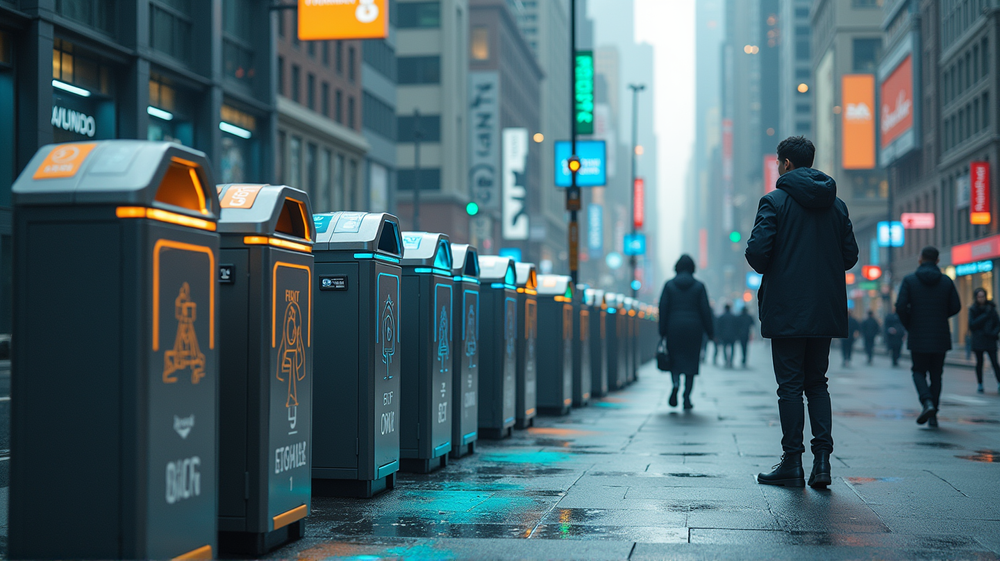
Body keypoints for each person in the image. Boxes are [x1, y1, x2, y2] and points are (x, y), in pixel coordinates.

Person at [745, 136, 858, 489]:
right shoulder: (836, 205)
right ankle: (822, 462)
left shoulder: (774, 202)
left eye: (779, 163)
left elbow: (758, 254)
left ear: (787, 164)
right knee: (817, 383)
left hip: (787, 308)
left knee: (790, 386)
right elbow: (850, 256)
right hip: (824, 309)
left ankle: (792, 461)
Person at [895, 246, 961, 428]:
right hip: (940, 335)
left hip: (918, 335)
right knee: (936, 375)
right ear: (938, 261)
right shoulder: (946, 281)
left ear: (920, 259)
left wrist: (910, 324)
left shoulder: (910, 280)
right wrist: (940, 316)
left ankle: (927, 402)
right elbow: (956, 306)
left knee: (918, 371)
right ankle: (933, 415)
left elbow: (900, 306)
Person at [658, 255, 715, 410]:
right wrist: (710, 332)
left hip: (673, 328)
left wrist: (662, 331)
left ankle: (675, 384)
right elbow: (705, 310)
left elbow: (663, 309)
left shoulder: (669, 285)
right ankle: (687, 397)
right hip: (694, 329)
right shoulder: (699, 286)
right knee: (691, 363)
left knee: (674, 360)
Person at [968, 287, 1000, 394]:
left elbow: (997, 323)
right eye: (979, 296)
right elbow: (972, 324)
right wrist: (985, 316)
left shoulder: (991, 308)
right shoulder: (973, 309)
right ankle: (980, 384)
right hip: (978, 340)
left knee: (995, 363)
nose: (981, 298)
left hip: (990, 339)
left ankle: (999, 382)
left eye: (983, 296)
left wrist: (994, 333)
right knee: (979, 363)